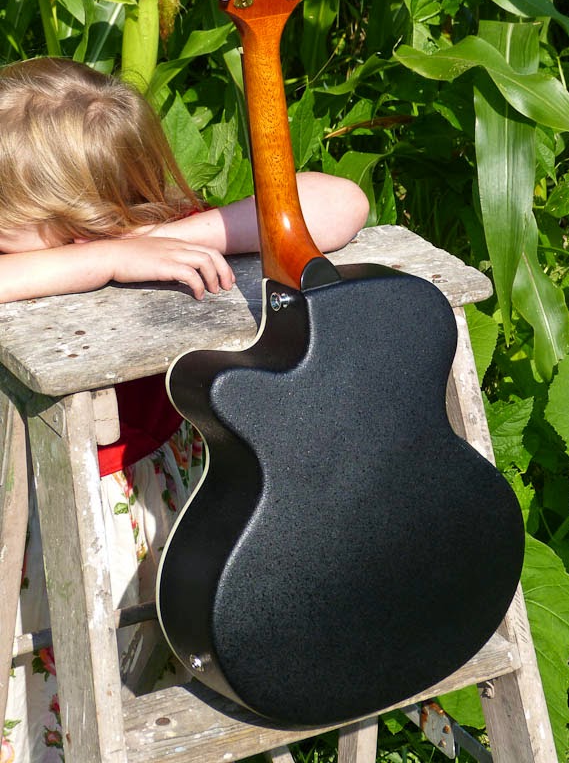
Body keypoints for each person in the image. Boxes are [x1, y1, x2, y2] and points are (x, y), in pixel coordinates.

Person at [0, 57, 369, 762]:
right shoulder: (80, 247)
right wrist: (101, 262)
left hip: (135, 506)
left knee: (125, 674)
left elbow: (342, 203)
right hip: (36, 510)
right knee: (50, 692)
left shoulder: (161, 230)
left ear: (73, 213)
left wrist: (151, 242)